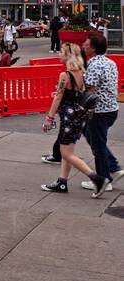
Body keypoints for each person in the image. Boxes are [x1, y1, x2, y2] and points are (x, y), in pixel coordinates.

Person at [40, 43, 108, 196]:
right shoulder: (80, 73)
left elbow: (58, 98)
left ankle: (97, 179)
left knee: (66, 153)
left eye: (61, 51)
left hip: (68, 117)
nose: (59, 53)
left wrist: (49, 118)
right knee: (67, 152)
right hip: (78, 116)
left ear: (68, 55)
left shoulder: (65, 75)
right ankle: (62, 182)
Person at [81, 32, 122, 194]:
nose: (84, 47)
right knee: (92, 137)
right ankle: (113, 168)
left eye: (86, 45)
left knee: (97, 144)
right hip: (111, 109)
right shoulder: (110, 62)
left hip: (99, 111)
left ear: (93, 48)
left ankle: (104, 179)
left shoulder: (94, 65)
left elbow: (89, 89)